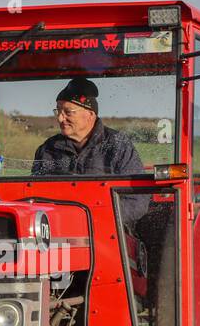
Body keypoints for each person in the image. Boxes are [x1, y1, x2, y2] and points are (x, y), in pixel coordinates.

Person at [32, 77, 148, 224]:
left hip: (109, 231)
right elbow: (35, 195)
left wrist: (96, 219)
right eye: (58, 111)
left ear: (90, 114)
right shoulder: (48, 149)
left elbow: (138, 199)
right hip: (58, 229)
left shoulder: (118, 145)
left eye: (68, 112)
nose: (60, 118)